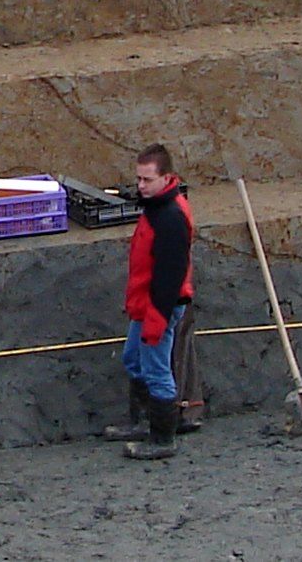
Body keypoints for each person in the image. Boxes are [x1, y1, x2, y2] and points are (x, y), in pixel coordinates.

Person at [102, 144, 193, 461]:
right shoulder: (159, 207)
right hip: (147, 303)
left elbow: (169, 276)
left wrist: (156, 319)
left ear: (166, 178)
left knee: (156, 369)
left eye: (146, 180)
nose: (140, 186)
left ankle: (162, 438)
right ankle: (143, 422)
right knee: (134, 359)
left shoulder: (170, 217)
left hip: (160, 305)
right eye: (138, 179)